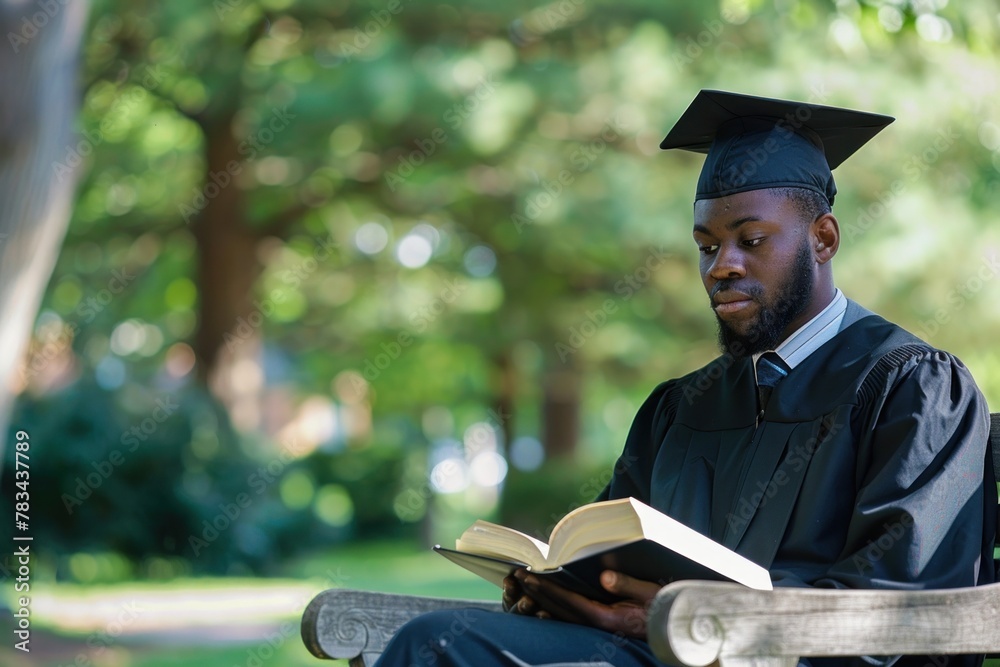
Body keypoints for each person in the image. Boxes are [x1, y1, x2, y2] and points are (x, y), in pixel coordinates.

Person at [373, 90, 996, 667]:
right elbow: (602, 556)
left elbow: (905, 607)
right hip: (655, 653)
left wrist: (705, 622)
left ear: (824, 238)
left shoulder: (909, 387)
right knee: (440, 646)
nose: (722, 267)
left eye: (751, 240)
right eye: (706, 246)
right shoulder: (680, 407)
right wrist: (557, 590)